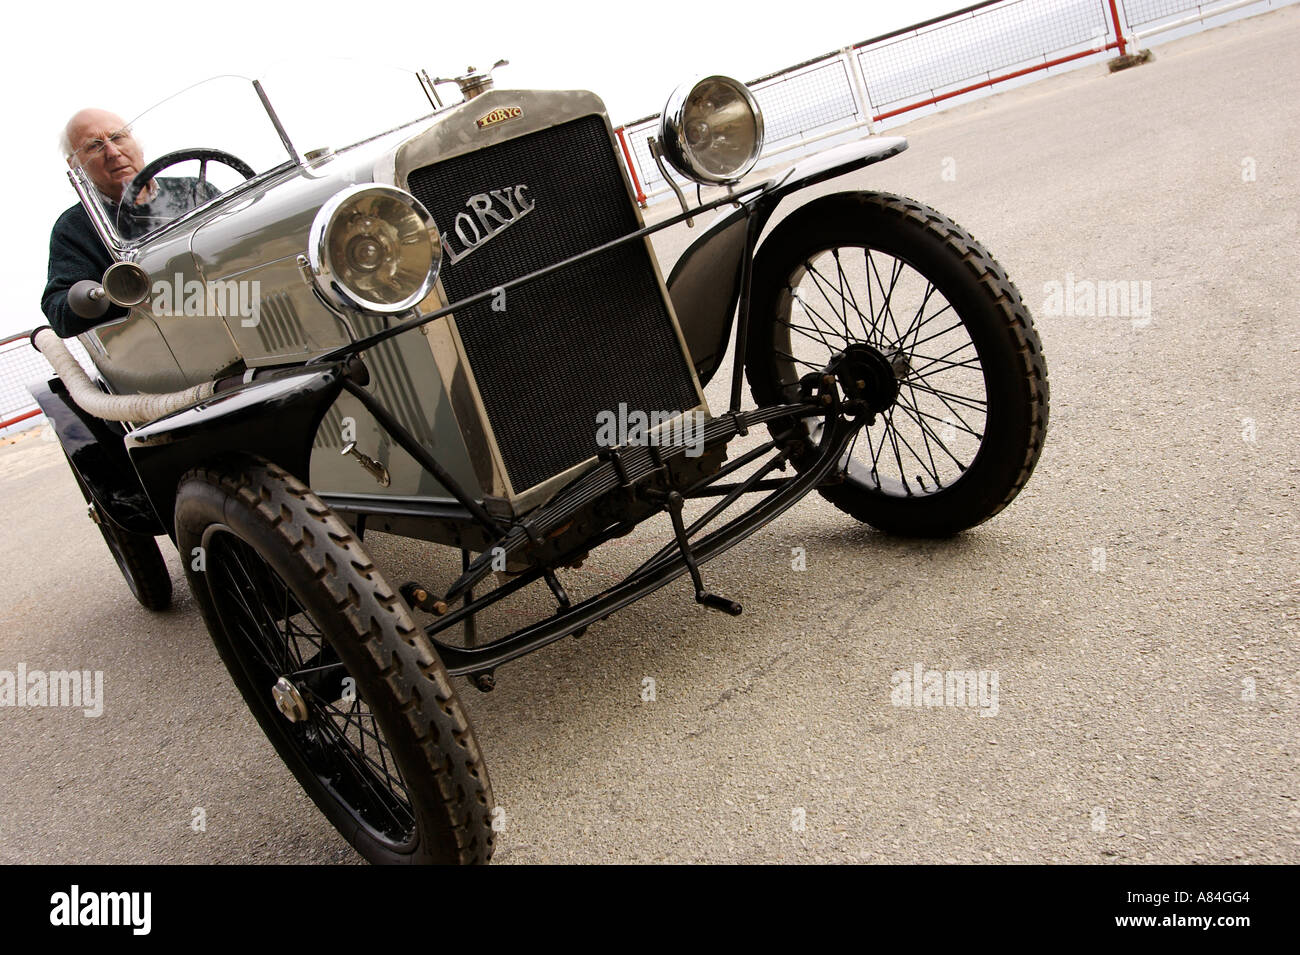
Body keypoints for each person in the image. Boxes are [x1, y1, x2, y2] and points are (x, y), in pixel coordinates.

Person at [42, 109, 218, 338]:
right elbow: (60, 312)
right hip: (161, 341)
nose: (113, 152)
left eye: (117, 137)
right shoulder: (74, 228)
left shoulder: (195, 191)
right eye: (95, 145)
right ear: (75, 165)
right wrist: (114, 293)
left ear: (137, 144)